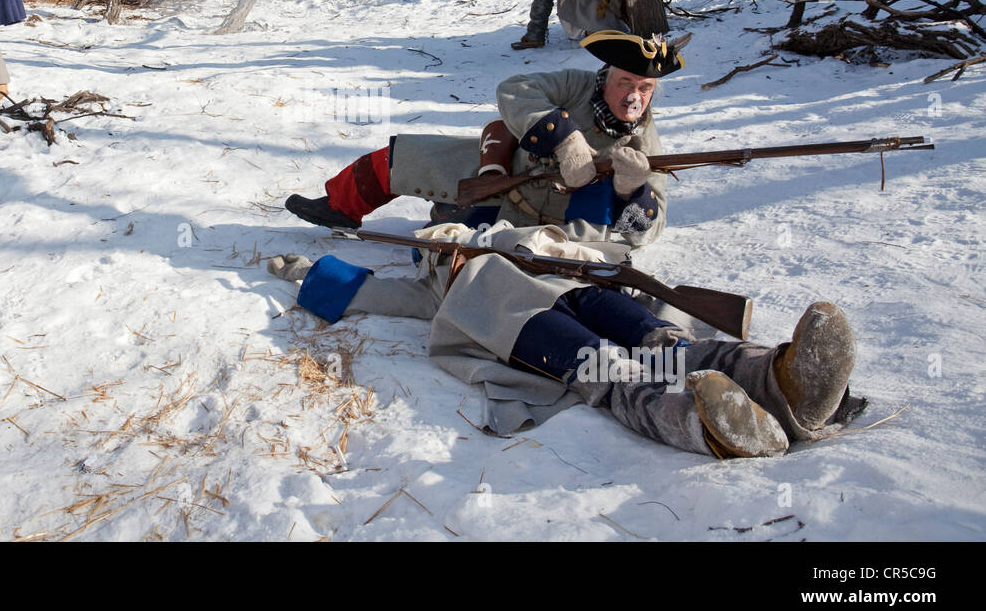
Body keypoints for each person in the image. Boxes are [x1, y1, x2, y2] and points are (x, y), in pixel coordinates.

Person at [266, 221, 864, 456]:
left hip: (574, 289)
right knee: (608, 369)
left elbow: (604, 244)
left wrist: (546, 251)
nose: (448, 250)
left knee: (663, 342)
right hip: (522, 325)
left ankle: (783, 381)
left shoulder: (527, 244)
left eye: (455, 240)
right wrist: (305, 272)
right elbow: (370, 291)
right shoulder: (444, 294)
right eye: (438, 249)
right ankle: (704, 428)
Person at [284, 32, 682, 250]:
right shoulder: (576, 85)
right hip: (509, 174)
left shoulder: (648, 142)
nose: (634, 97)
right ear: (607, 77)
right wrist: (564, 137)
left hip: (553, 231)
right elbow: (514, 88)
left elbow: (649, 229)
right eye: (625, 82)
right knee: (399, 158)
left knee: (446, 233)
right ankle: (340, 207)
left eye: (645, 88)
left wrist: (632, 190)